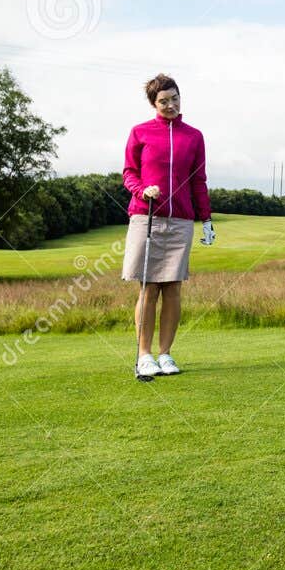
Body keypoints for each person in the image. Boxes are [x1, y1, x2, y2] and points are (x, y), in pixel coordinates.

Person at [121, 73, 215, 382]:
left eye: (175, 99)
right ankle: (144, 355)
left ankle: (165, 354)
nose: (170, 105)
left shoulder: (194, 136)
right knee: (149, 289)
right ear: (153, 103)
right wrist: (141, 190)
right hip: (146, 217)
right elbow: (129, 173)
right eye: (164, 101)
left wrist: (207, 220)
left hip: (180, 221)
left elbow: (199, 181)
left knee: (173, 288)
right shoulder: (140, 133)